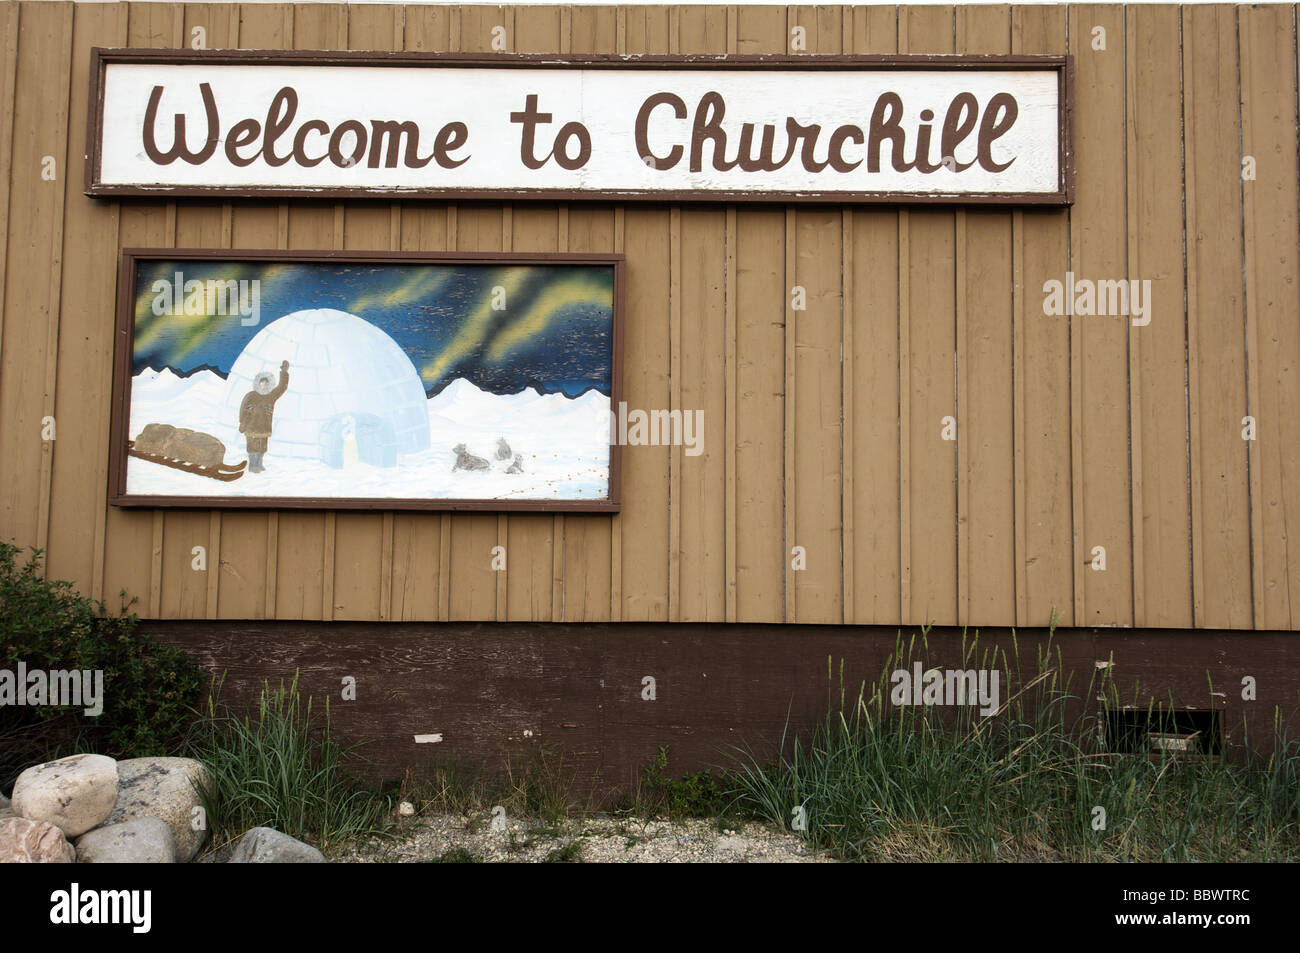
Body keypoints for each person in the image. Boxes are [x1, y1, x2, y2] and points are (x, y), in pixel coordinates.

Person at [239, 360, 289, 473]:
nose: (264, 385)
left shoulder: (271, 396)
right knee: (252, 447)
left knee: (262, 447)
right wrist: (242, 422)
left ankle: (259, 464)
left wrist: (284, 372)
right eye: (262, 382)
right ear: (258, 383)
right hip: (251, 427)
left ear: (269, 384)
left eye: (266, 383)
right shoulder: (251, 395)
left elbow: (282, 387)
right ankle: (252, 465)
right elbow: (243, 409)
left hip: (264, 427)